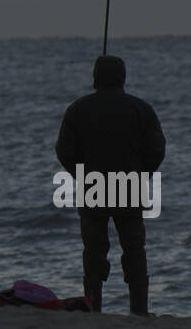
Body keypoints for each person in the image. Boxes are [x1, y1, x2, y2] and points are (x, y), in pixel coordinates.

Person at [55, 55, 165, 315]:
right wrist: (142, 175)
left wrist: (81, 175)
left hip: (92, 187)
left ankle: (93, 309)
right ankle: (139, 311)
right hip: (130, 187)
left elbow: (64, 151)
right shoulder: (141, 109)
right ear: (123, 78)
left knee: (93, 253)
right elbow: (157, 149)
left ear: (95, 78)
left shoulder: (77, 109)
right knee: (134, 250)